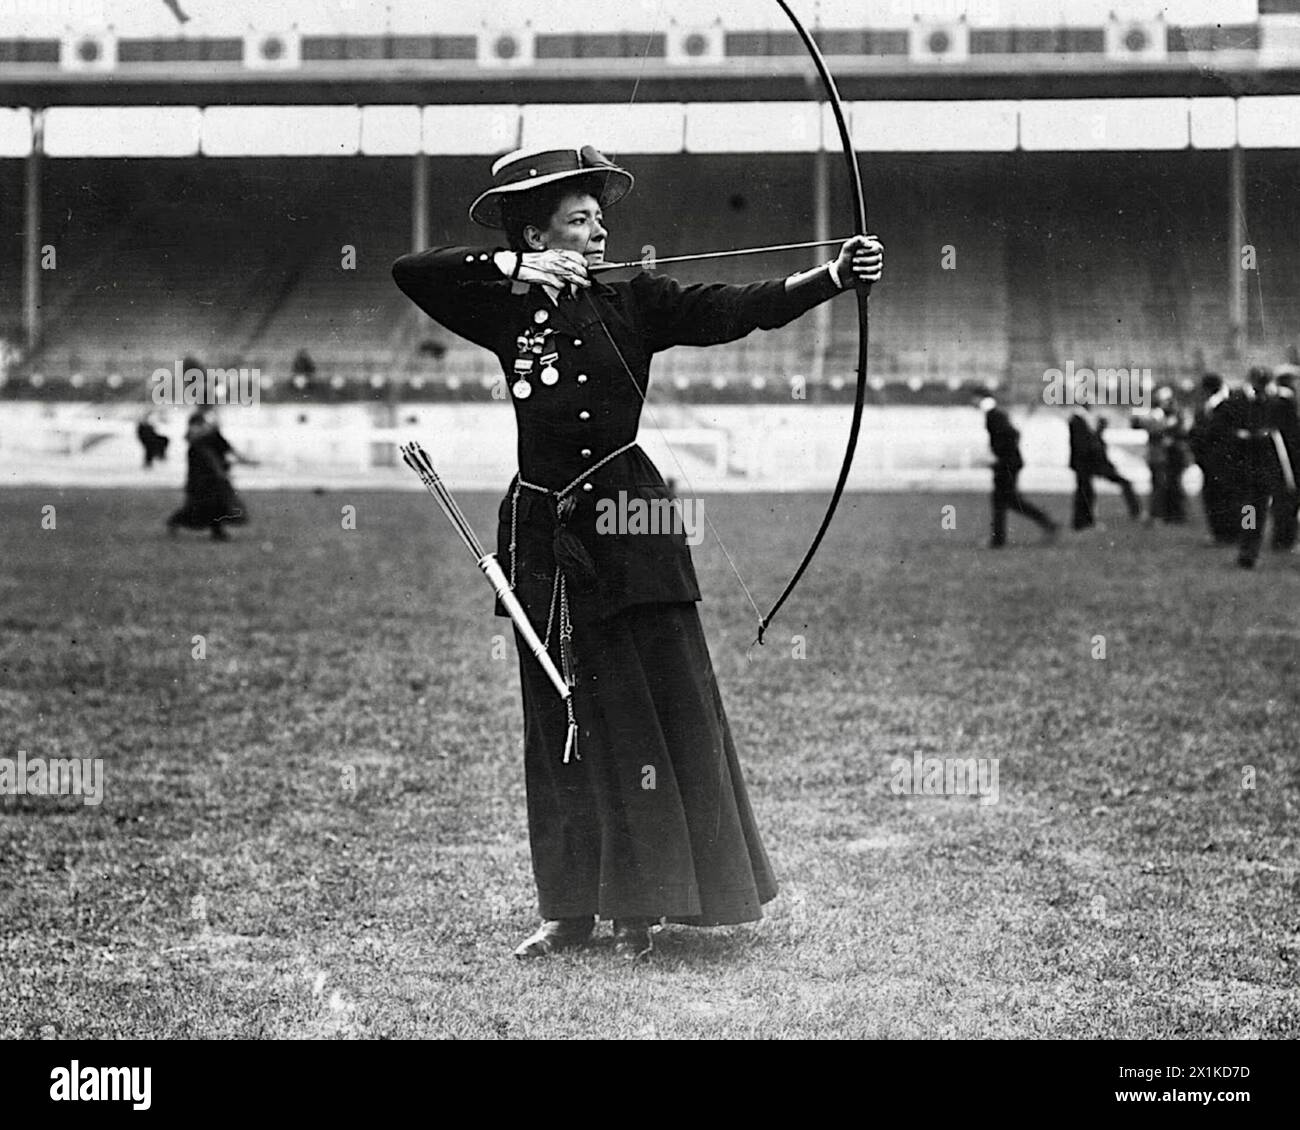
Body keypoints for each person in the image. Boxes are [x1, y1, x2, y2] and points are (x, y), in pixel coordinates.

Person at [392, 144, 884, 961]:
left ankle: (642, 906)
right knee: (559, 720)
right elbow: (415, 269)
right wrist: (518, 268)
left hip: (626, 525)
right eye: (576, 222)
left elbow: (739, 306)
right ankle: (569, 910)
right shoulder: (503, 305)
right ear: (537, 232)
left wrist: (833, 276)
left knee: (636, 713)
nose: (595, 235)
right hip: (544, 533)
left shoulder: (638, 299)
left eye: (598, 222)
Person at [1214, 366, 1282, 568]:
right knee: (1249, 509)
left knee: (1257, 510)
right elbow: (1220, 432)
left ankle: (1251, 548)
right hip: (1242, 467)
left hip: (1262, 467)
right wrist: (1240, 436)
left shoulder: (1269, 403)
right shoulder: (1234, 402)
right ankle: (1247, 549)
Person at [975, 390, 1057, 548]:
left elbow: (1010, 436)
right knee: (1009, 501)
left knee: (1003, 501)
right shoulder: (996, 414)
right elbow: (1012, 435)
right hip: (1009, 463)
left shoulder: (993, 415)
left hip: (1006, 465)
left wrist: (998, 457)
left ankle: (998, 540)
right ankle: (1046, 523)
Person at [166, 410, 255, 541]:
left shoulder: (212, 438)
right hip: (201, 481)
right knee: (200, 508)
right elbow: (208, 461)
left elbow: (228, 452)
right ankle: (176, 521)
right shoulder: (196, 443)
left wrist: (245, 462)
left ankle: (217, 532)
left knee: (217, 506)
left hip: (214, 480)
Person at [1067, 408, 1139, 530]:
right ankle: (1082, 522)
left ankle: (1082, 522)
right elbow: (1086, 445)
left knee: (1085, 492)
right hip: (1088, 463)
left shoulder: (1086, 418)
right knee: (1085, 492)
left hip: (1092, 463)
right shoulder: (1079, 419)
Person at [1187, 373, 1236, 545]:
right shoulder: (1210, 406)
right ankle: (1221, 534)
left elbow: (1214, 433)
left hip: (1222, 462)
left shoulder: (1225, 405)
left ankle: (1228, 534)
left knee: (1224, 499)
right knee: (1215, 498)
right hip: (1211, 462)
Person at [1137, 387, 1189, 524]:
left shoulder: (1174, 414)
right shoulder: (1159, 414)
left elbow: (1180, 432)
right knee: (1161, 485)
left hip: (1171, 456)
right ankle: (1163, 514)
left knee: (1168, 485)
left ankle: (1172, 515)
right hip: (1160, 455)